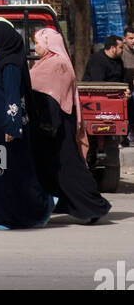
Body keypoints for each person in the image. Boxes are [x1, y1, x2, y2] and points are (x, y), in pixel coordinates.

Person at [0, 17, 55, 231]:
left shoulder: (10, 65)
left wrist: (12, 126)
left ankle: (3, 218)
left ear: (1, 39)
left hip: (6, 131)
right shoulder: (0, 62)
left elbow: (13, 96)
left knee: (3, 173)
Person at [30, 27, 110, 224]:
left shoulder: (57, 65)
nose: (35, 47)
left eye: (38, 43)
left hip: (56, 126)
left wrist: (49, 125)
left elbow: (54, 98)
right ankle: (48, 206)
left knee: (68, 168)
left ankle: (94, 205)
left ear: (48, 44)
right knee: (50, 169)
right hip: (48, 126)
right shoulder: (46, 63)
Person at [122, 27, 134, 145]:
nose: (133, 41)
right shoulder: (123, 52)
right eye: (130, 38)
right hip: (126, 88)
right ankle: (127, 135)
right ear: (124, 39)